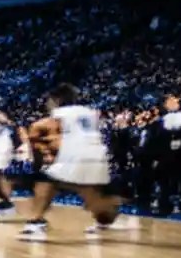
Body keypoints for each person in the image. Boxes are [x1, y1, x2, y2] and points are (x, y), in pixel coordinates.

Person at [18, 83, 123, 241]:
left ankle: (35, 222)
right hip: (98, 157)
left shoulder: (59, 113)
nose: (48, 104)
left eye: (50, 100)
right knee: (93, 198)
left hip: (75, 157)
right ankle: (108, 213)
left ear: (57, 99)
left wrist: (33, 137)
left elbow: (48, 130)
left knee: (45, 182)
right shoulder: (89, 112)